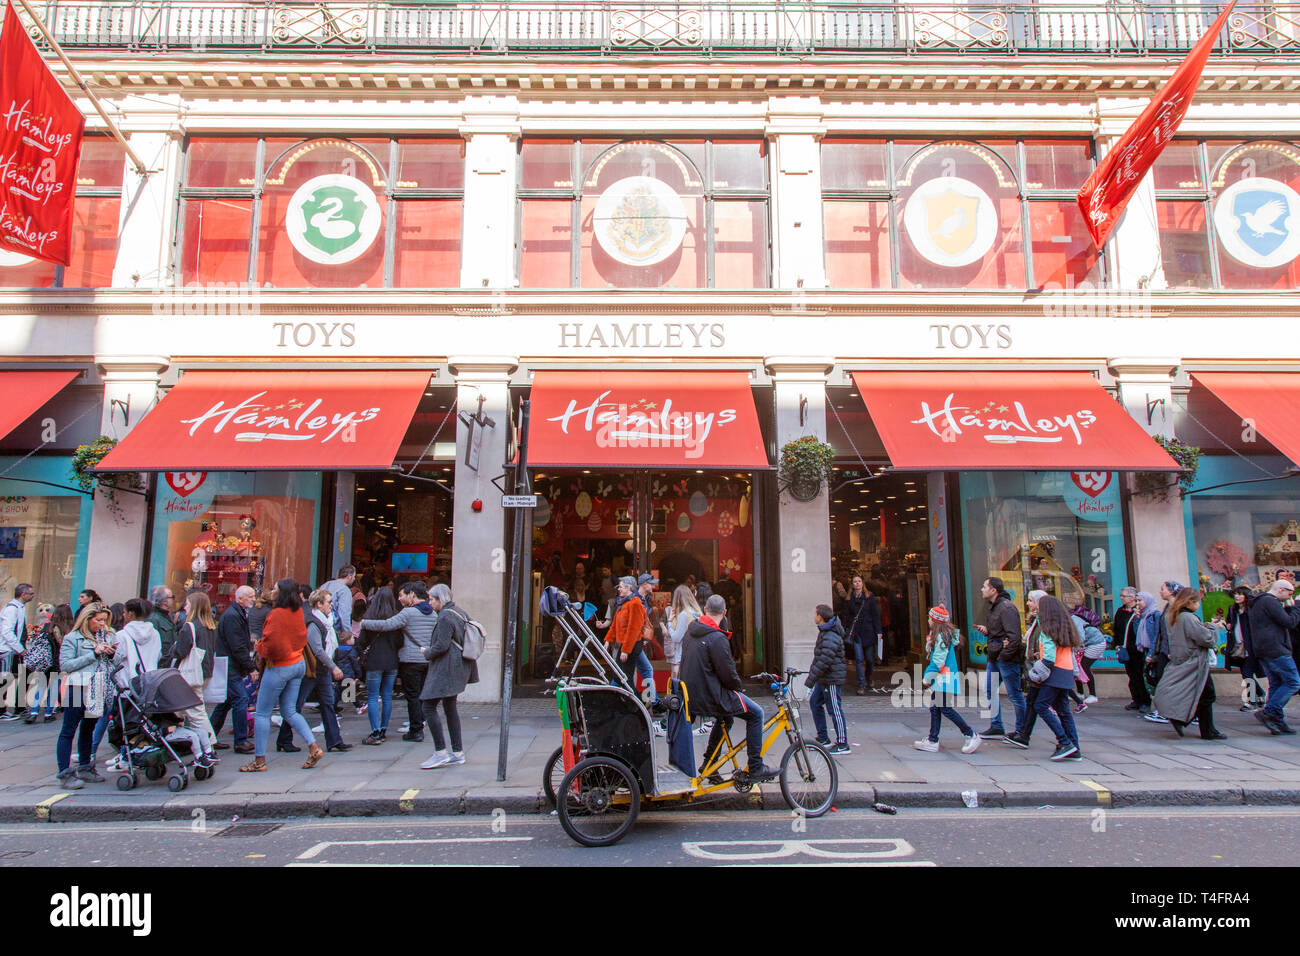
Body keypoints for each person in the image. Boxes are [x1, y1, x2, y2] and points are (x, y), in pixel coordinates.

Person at [680, 594, 778, 783]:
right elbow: (727, 673)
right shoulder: (716, 638)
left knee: (727, 719)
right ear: (724, 613)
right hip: (711, 695)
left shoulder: (691, 631)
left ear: (705, 610)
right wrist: (738, 688)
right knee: (756, 713)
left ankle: (709, 765)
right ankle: (756, 767)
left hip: (693, 693)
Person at [240, 579, 323, 772]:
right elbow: (301, 638)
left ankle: (259, 760)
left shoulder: (276, 614)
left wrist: (259, 647)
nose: (273, 591)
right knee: (290, 710)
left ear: (282, 593)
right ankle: (313, 746)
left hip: (279, 666)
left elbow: (271, 645)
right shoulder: (298, 612)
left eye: (276, 589)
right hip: (297, 663)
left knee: (262, 713)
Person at [358, 581, 438, 743]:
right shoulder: (433, 614)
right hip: (427, 659)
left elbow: (388, 625)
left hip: (409, 659)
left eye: (403, 594)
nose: (400, 598)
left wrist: (364, 623)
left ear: (412, 595)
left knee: (410, 696)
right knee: (419, 695)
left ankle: (413, 730)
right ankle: (418, 725)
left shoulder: (407, 613)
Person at [278, 588, 349, 754]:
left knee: (328, 704)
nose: (332, 605)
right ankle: (284, 739)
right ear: (319, 604)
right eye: (329, 602)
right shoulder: (313, 623)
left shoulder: (325, 621)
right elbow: (317, 649)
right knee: (296, 705)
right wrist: (334, 666)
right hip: (311, 670)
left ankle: (334, 740)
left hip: (320, 670)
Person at [55, 603, 117, 789]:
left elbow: (116, 661)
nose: (101, 624)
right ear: (87, 619)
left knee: (88, 729)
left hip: (99, 686)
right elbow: (66, 665)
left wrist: (112, 653)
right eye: (98, 620)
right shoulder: (72, 638)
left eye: (104, 621)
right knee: (69, 729)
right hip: (78, 687)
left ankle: (85, 767)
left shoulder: (107, 635)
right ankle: (65, 772)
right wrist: (93, 653)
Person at [1154, 587, 1226, 740]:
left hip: (1181, 660)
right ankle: (1200, 727)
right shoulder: (1189, 618)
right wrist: (1212, 627)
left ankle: (1193, 723)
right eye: (1197, 602)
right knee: (1207, 694)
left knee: (1199, 694)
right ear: (1191, 602)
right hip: (1195, 662)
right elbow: (1207, 640)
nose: (1198, 605)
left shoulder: (1171, 616)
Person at [418, 583, 476, 769]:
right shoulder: (460, 612)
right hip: (459, 667)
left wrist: (426, 652)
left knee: (428, 707)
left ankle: (440, 752)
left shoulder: (444, 617)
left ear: (439, 599)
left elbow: (441, 646)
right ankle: (458, 752)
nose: (429, 602)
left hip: (446, 669)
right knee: (450, 708)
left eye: (431, 599)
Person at [914, 604, 980, 754]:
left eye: (930, 618)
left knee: (945, 708)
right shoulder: (942, 636)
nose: (928, 620)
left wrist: (927, 678)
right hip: (944, 678)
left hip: (944, 678)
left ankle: (970, 734)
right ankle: (932, 739)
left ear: (935, 621)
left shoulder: (941, 638)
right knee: (935, 707)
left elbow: (937, 661)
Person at [167, 592, 220, 768]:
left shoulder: (190, 627)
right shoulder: (210, 626)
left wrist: (173, 650)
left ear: (195, 606)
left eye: (188, 604)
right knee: (181, 710)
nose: (185, 607)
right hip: (204, 672)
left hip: (190, 674)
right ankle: (178, 741)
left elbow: (180, 652)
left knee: (196, 712)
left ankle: (209, 746)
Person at [1030, 595, 1083, 761]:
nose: (1037, 608)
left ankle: (1064, 741)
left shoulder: (1047, 630)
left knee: (1041, 706)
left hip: (1054, 673)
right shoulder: (1064, 627)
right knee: (1063, 711)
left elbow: (1049, 659)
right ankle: (1074, 748)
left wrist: (1036, 671)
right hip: (1066, 672)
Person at [974, 576, 1025, 740]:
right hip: (996, 656)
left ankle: (1022, 730)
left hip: (1004, 658)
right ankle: (996, 725)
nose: (982, 589)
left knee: (1014, 694)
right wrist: (988, 631)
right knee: (989, 689)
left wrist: (1004, 655)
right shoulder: (996, 607)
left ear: (993, 590)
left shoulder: (1006, 608)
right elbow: (1002, 631)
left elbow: (1015, 636)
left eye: (984, 586)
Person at [1247, 577, 1300, 735]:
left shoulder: (1259, 602)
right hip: (1276, 649)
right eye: (1289, 594)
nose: (1289, 598)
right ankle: (1269, 712)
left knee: (1276, 683)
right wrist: (1297, 606)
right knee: (1293, 682)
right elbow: (1289, 622)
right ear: (1281, 590)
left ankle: (1276, 721)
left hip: (1264, 649)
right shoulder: (1270, 601)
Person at [211, 586, 256, 753]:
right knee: (240, 698)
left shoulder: (237, 614)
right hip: (231, 666)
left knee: (226, 703)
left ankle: (210, 737)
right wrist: (250, 667)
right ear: (239, 599)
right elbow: (236, 645)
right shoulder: (233, 616)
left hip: (231, 665)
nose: (253, 599)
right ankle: (240, 740)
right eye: (250, 597)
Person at [1003, 589, 1048, 749]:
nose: (1028, 603)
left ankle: (1066, 740)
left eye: (1030, 600)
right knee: (1032, 703)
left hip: (1042, 669)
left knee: (1048, 706)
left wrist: (1038, 655)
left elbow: (1046, 644)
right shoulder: (1036, 620)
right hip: (1036, 668)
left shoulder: (1044, 622)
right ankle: (1023, 734)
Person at [357, 587, 402, 744]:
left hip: (374, 661)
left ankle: (375, 731)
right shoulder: (396, 617)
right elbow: (400, 641)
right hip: (391, 661)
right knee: (387, 696)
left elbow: (362, 641)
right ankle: (384, 728)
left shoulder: (370, 617)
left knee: (373, 697)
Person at [807, 604, 849, 755]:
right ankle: (823, 738)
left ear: (820, 617)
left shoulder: (830, 635)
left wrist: (810, 680)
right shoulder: (825, 632)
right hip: (824, 678)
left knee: (834, 709)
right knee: (814, 702)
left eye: (815, 613)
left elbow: (824, 660)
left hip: (831, 678)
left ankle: (843, 743)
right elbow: (819, 658)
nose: (814, 616)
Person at [24, 603, 69, 723]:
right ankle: (48, 713)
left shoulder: (47, 626)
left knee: (41, 686)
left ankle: (34, 712)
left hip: (45, 661)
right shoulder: (68, 629)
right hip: (57, 662)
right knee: (54, 688)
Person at [1112, 587, 1150, 712]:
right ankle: (1136, 699)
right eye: (1121, 596)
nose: (1122, 598)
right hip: (1125, 648)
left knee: (1139, 674)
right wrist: (1117, 644)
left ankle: (1145, 700)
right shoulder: (1120, 611)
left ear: (1133, 597)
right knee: (1131, 675)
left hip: (1137, 648)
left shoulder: (1140, 612)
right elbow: (1116, 629)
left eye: (1124, 596)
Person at [1225, 586, 1263, 711]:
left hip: (1250, 647)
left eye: (1240, 594)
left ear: (1246, 595)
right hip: (1238, 647)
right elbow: (1229, 623)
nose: (1237, 596)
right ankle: (1261, 694)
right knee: (1245, 674)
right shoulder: (1233, 609)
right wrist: (1228, 626)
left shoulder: (1252, 609)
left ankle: (1252, 701)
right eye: (1235, 594)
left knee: (1247, 674)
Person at [843, 575, 882, 695]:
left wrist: (879, 631)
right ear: (852, 584)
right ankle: (861, 684)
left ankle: (868, 677)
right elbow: (846, 616)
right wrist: (847, 628)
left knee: (870, 660)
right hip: (856, 633)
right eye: (855, 582)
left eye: (859, 581)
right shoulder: (849, 599)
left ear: (862, 583)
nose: (857, 584)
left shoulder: (870, 597)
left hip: (869, 632)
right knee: (859, 659)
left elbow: (875, 614)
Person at [0, 583, 33, 720]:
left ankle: (10, 709)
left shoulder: (19, 608)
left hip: (11, 650)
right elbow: (7, 632)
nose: (33, 596)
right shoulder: (12, 609)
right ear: (23, 594)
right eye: (31, 593)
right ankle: (1, 711)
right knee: (4, 680)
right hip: (7, 650)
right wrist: (20, 649)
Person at [666, 584, 701, 679]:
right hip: (694, 655)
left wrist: (669, 622)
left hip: (682, 656)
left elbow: (676, 638)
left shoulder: (684, 615)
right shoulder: (697, 613)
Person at [321, 565, 356, 639]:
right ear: (349, 576)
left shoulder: (326, 584)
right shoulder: (344, 590)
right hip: (333, 629)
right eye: (354, 576)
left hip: (320, 624)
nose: (354, 579)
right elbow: (344, 613)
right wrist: (348, 633)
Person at [147, 585, 178, 658]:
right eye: (172, 597)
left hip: (167, 664)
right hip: (160, 665)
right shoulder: (153, 619)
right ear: (164, 601)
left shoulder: (166, 617)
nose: (174, 600)